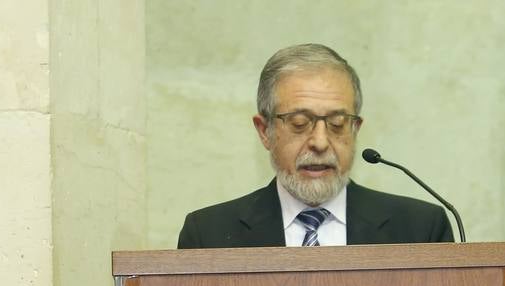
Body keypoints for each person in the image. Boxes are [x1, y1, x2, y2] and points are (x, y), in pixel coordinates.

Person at [177, 43, 454, 249]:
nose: (320, 142)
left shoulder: (421, 229)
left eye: (337, 123)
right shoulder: (208, 235)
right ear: (265, 132)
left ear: (355, 129)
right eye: (299, 123)